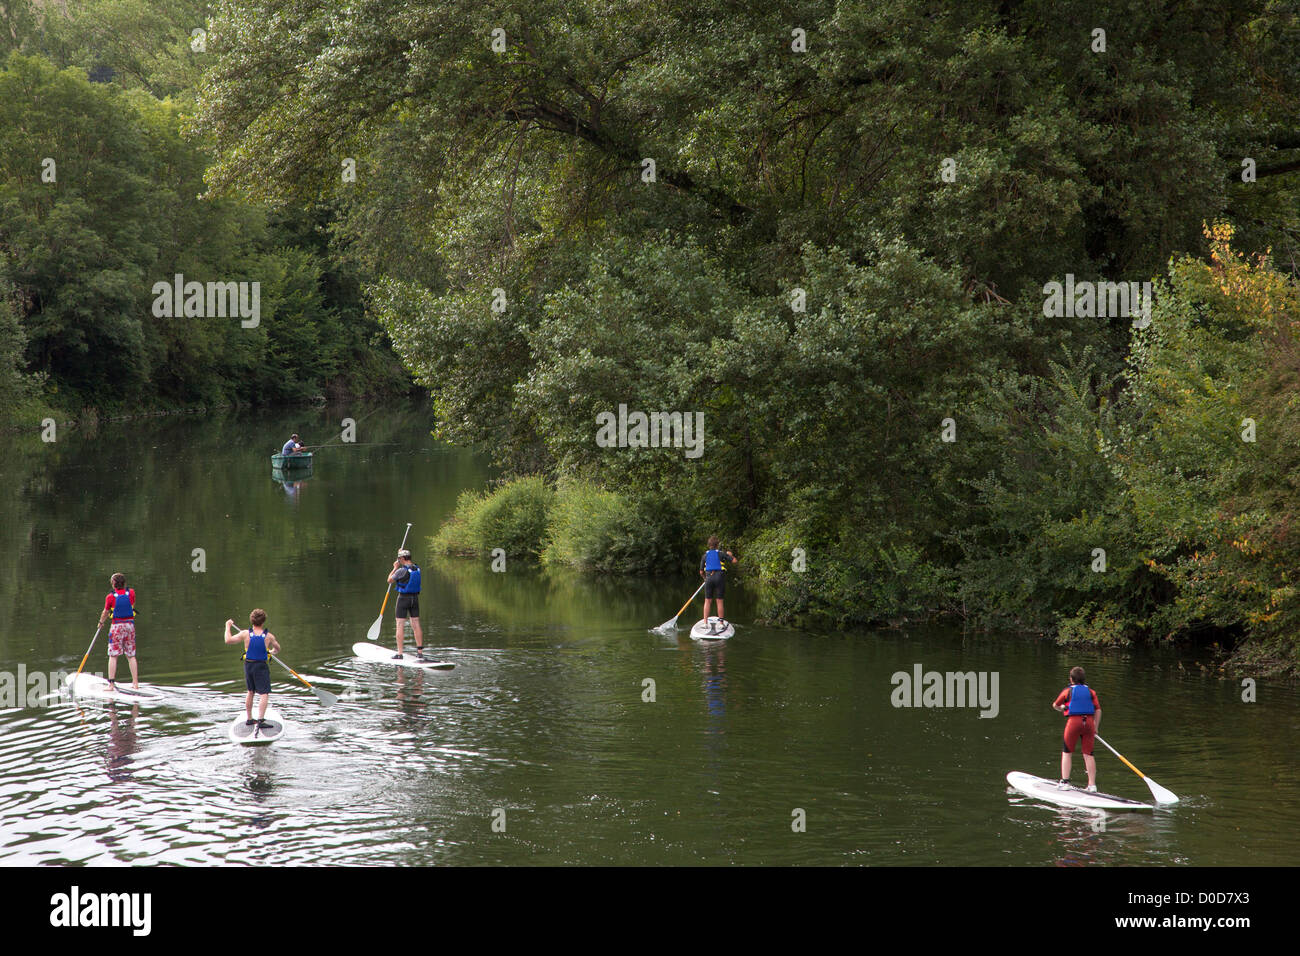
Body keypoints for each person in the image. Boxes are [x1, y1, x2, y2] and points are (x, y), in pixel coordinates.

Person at [224, 610, 281, 726]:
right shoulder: (269, 636)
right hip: (260, 666)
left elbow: (228, 640)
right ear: (263, 621)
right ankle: (260, 720)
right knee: (264, 693)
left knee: (250, 692)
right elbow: (277, 648)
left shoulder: (245, 634)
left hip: (248, 665)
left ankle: (249, 719)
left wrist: (227, 626)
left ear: (251, 620)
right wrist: (272, 651)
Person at [1053, 666, 1102, 791]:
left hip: (1074, 722)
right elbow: (1098, 709)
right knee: (1089, 754)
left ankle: (1065, 782)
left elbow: (1055, 705)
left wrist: (1063, 708)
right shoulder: (1091, 692)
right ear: (1084, 679)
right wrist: (1096, 727)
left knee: (1067, 752)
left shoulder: (1067, 691)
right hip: (1089, 723)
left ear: (1071, 679)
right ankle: (1092, 785)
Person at [97, 573, 139, 690]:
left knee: (113, 655)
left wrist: (101, 622)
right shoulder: (131, 593)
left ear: (113, 584)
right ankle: (135, 683)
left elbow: (105, 612)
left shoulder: (110, 597)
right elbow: (131, 605)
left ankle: (111, 685)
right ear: (124, 583)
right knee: (131, 655)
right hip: (130, 625)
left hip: (117, 626)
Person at [388, 549, 426, 659]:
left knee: (400, 624)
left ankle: (400, 654)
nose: (398, 561)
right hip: (415, 599)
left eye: (399, 559)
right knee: (416, 624)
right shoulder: (417, 568)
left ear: (403, 559)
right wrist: (401, 552)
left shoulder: (400, 571)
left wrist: (394, 568)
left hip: (403, 599)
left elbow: (389, 580)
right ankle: (419, 652)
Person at [699, 536, 738, 634]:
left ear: (709, 545)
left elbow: (700, 572)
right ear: (717, 545)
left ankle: (705, 623)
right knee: (719, 601)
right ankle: (721, 623)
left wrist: (705, 578)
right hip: (719, 578)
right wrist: (730, 555)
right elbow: (734, 561)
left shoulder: (704, 556)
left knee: (707, 601)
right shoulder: (721, 554)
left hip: (708, 578)